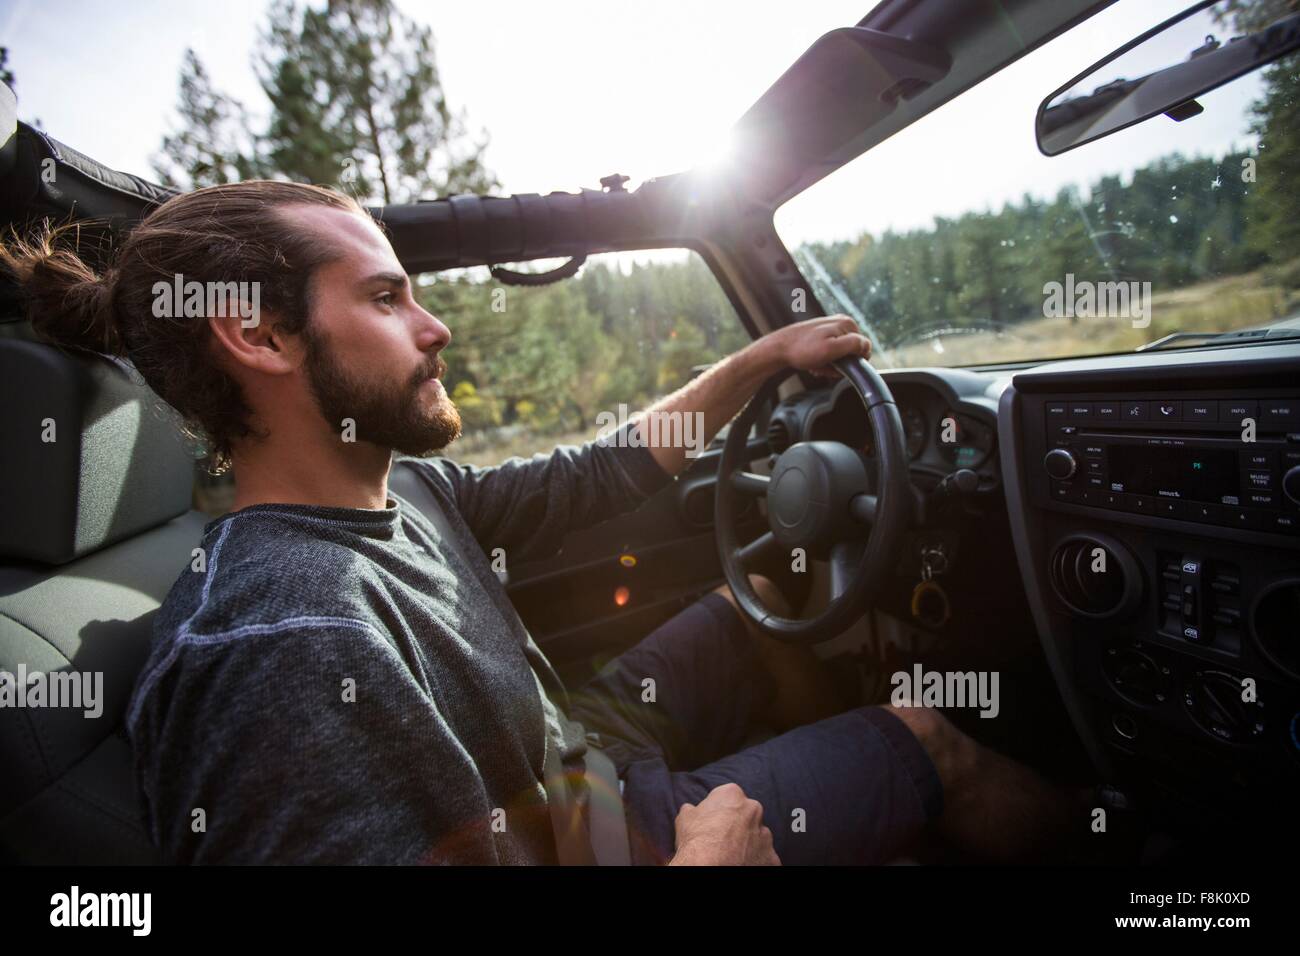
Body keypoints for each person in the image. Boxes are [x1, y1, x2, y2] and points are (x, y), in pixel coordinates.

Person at [0, 180, 1091, 865]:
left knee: (771, 602)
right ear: (259, 339)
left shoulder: (395, 493)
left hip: (574, 760)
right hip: (601, 836)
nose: (433, 327)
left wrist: (767, 356)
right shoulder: (282, 649)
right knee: (927, 737)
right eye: (385, 298)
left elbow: (595, 472)